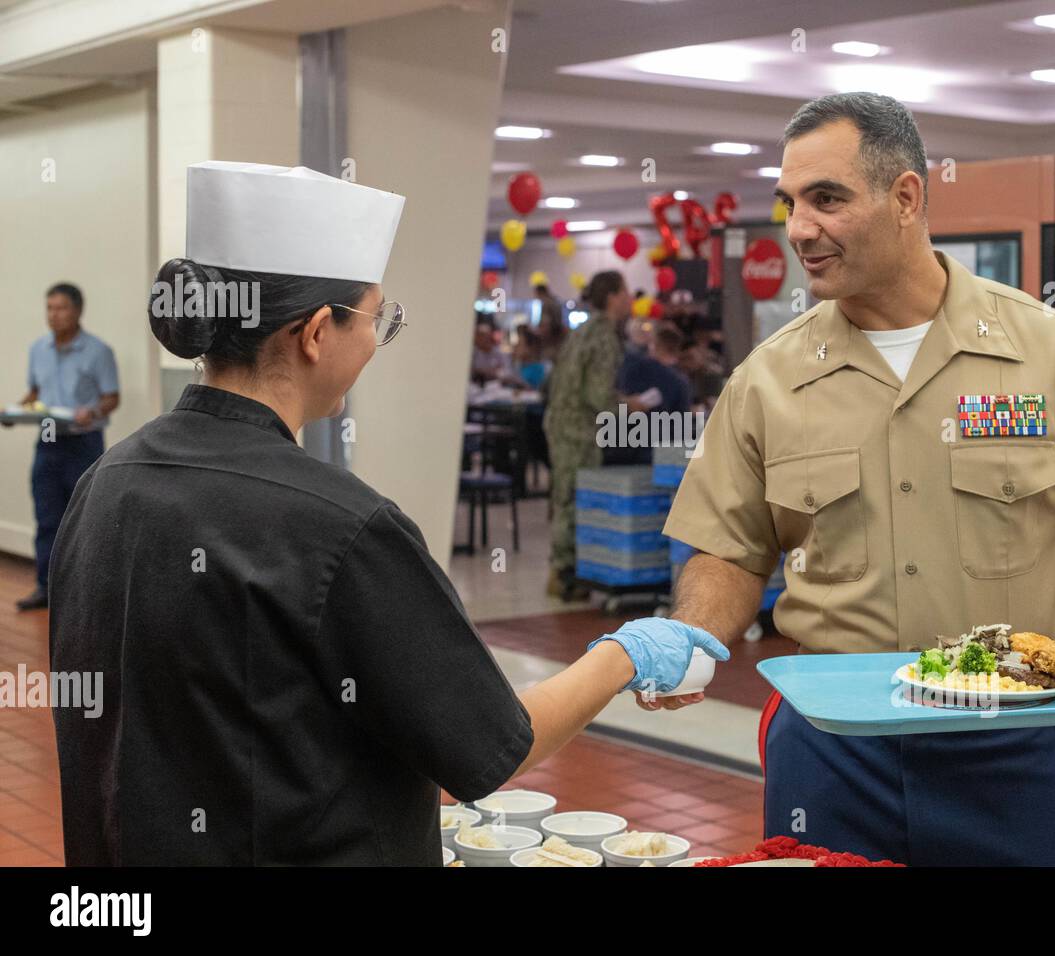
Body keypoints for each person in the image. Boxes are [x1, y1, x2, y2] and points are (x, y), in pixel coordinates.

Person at [47, 160, 725, 865]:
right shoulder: (340, 526)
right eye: (377, 318)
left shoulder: (105, 482)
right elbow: (491, 744)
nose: (376, 339)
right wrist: (625, 653)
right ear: (314, 334)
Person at [623, 92, 1055, 866]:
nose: (798, 228)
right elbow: (729, 550)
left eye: (827, 199)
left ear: (906, 197)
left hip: (1010, 740)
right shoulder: (769, 380)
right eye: (790, 202)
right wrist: (691, 640)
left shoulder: (1054, 353)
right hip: (830, 747)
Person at [542, 271, 652, 600]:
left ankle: (561, 572)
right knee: (574, 500)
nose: (631, 299)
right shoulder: (604, 335)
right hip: (579, 429)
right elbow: (598, 396)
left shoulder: (582, 330)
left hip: (559, 421)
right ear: (613, 297)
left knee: (563, 495)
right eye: (626, 292)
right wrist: (630, 405)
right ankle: (566, 574)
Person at [9, 283, 119, 611]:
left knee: (87, 519)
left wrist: (94, 412)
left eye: (61, 308)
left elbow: (112, 398)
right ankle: (45, 587)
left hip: (83, 442)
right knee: (46, 517)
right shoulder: (37, 349)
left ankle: (88, 594)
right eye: (49, 308)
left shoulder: (98, 351)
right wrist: (16, 410)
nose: (53, 315)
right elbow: (34, 393)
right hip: (46, 440)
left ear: (78, 311)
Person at [607, 323, 694, 465]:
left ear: (653, 345)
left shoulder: (633, 369)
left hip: (620, 451)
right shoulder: (681, 383)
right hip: (657, 457)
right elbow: (681, 430)